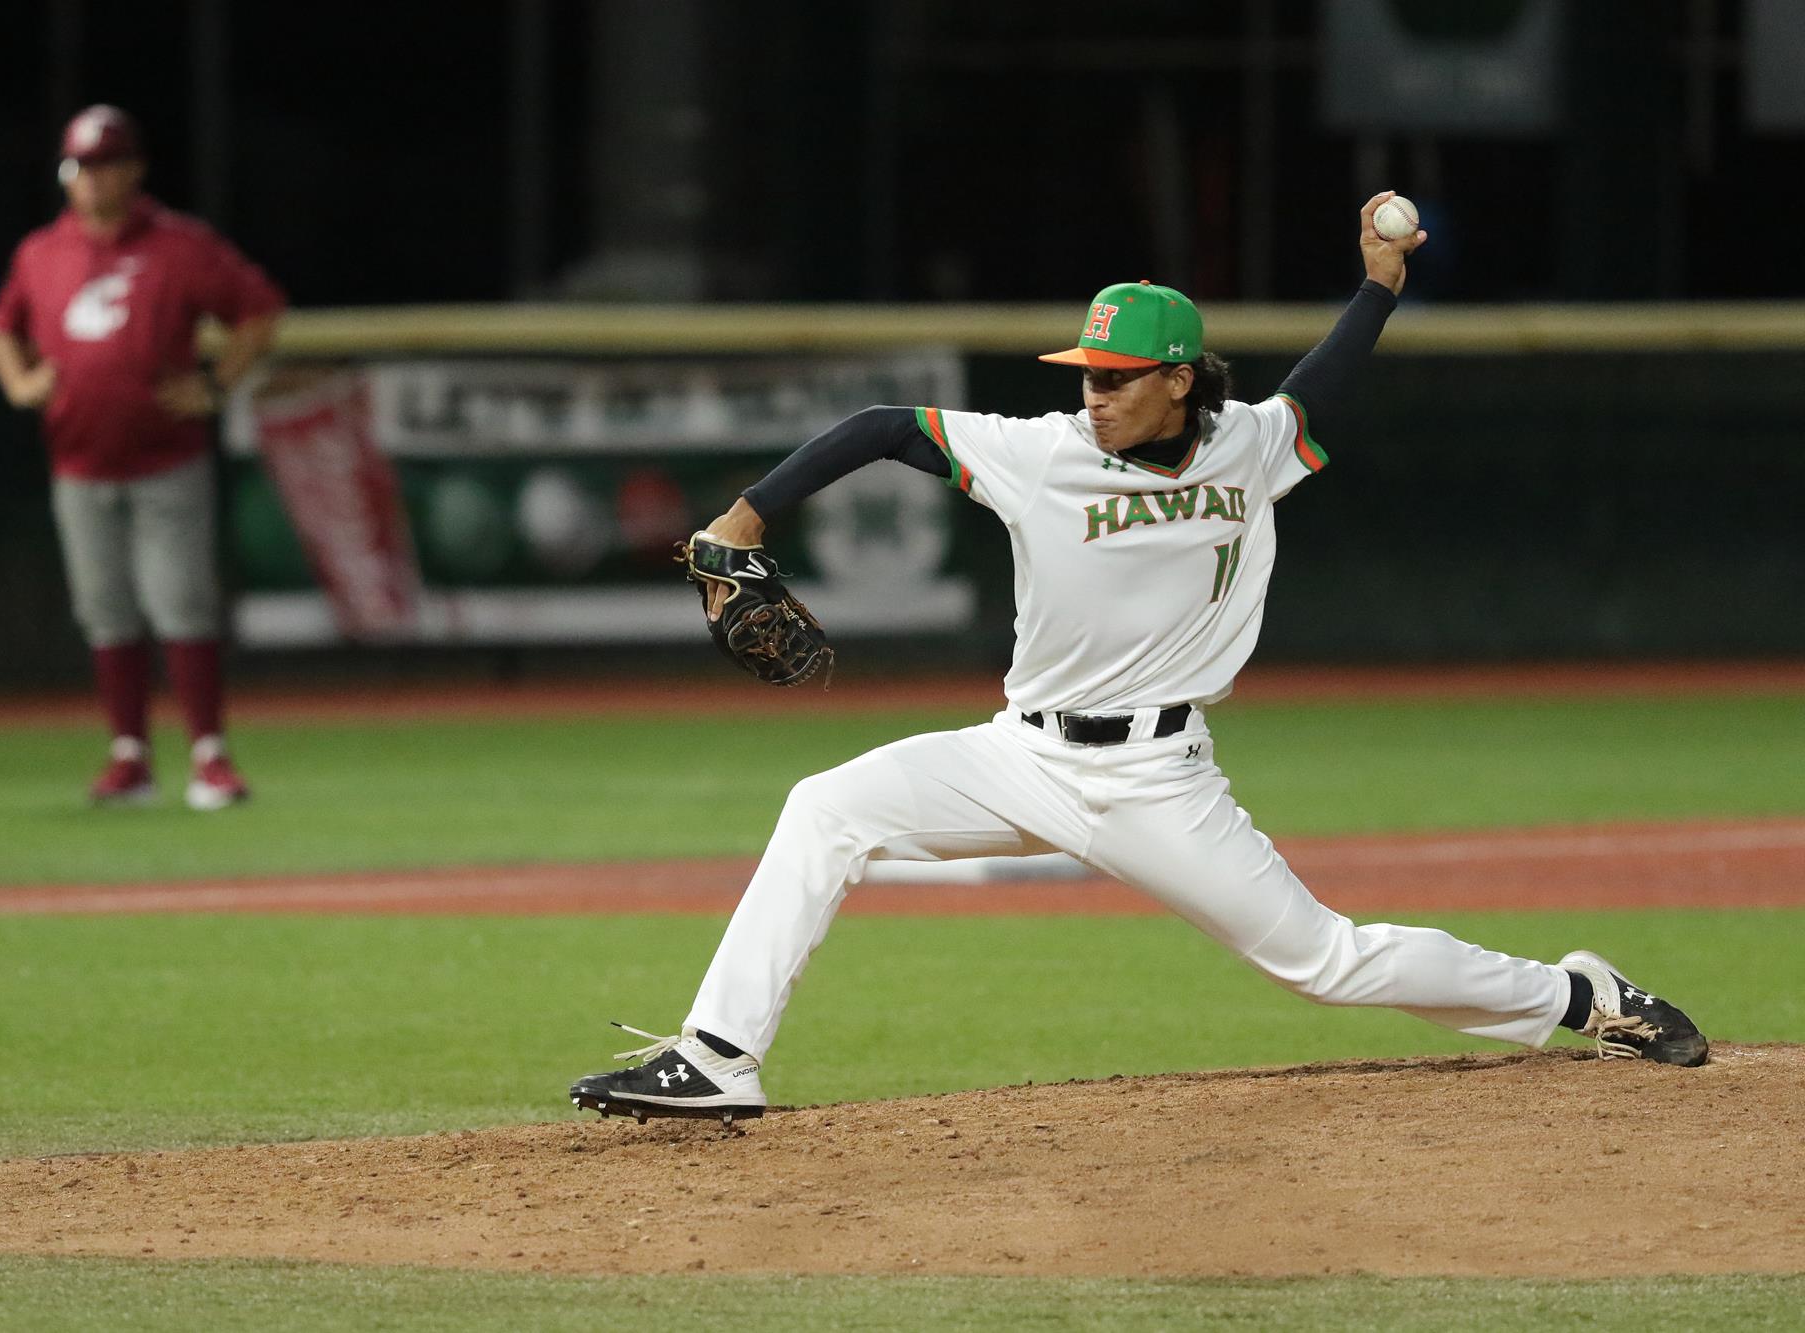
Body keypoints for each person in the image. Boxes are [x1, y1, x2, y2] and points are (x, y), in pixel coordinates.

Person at [570, 193, 1708, 1126]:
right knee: (825, 807)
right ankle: (717, 1056)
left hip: (1158, 780)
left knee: (1326, 963)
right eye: (1086, 371)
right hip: (1018, 756)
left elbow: (1323, 384)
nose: (1094, 391)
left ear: (1179, 378)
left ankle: (1580, 995)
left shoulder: (1250, 446)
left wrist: (1379, 287)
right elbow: (879, 426)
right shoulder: (1039, 453)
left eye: (1116, 375)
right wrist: (746, 516)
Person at [0, 105, 285, 809]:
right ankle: (131, 758)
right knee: (107, 613)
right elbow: (1, 326)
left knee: (183, 603)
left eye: (107, 164)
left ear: (135, 169)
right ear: (67, 174)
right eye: (82, 166)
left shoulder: (179, 245)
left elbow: (259, 311)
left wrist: (216, 385)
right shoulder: (42, 252)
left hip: (165, 459)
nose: (93, 179)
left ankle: (209, 755)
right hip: (79, 463)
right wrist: (20, 383)